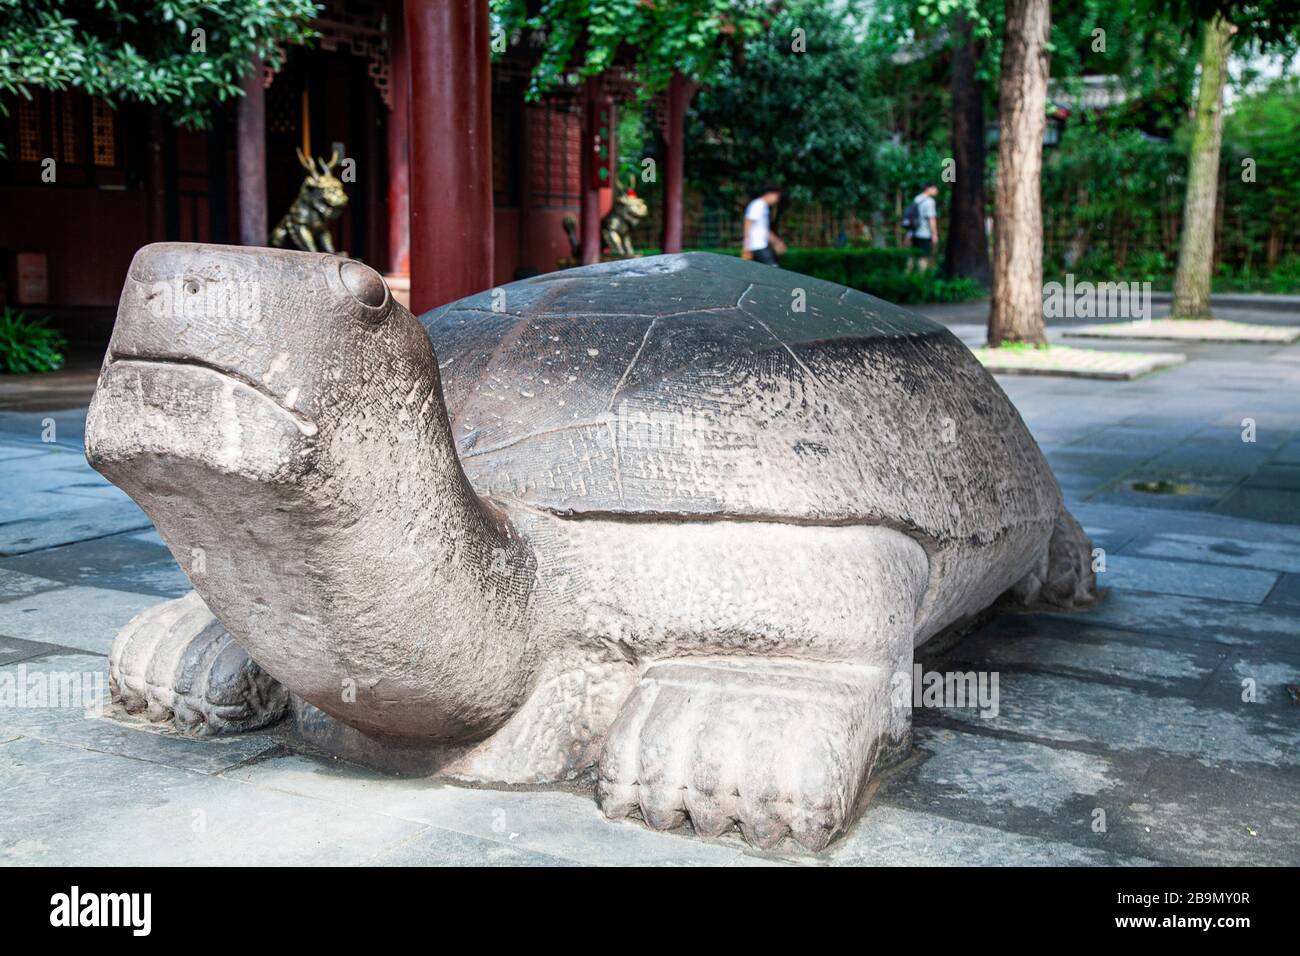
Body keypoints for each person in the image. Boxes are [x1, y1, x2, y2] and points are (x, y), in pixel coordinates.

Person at [743, 184, 785, 266]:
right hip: (756, 246)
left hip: (760, 245)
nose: (777, 200)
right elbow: (747, 222)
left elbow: (763, 230)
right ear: (770, 194)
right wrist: (746, 245)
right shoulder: (758, 205)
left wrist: (776, 242)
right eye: (777, 197)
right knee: (773, 269)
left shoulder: (763, 206)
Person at [905, 182, 940, 271]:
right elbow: (931, 219)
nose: (936, 191)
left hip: (913, 232)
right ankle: (921, 279)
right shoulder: (930, 201)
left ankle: (907, 275)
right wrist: (934, 235)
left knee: (911, 255)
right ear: (929, 189)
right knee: (923, 257)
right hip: (924, 233)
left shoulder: (917, 198)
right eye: (935, 188)